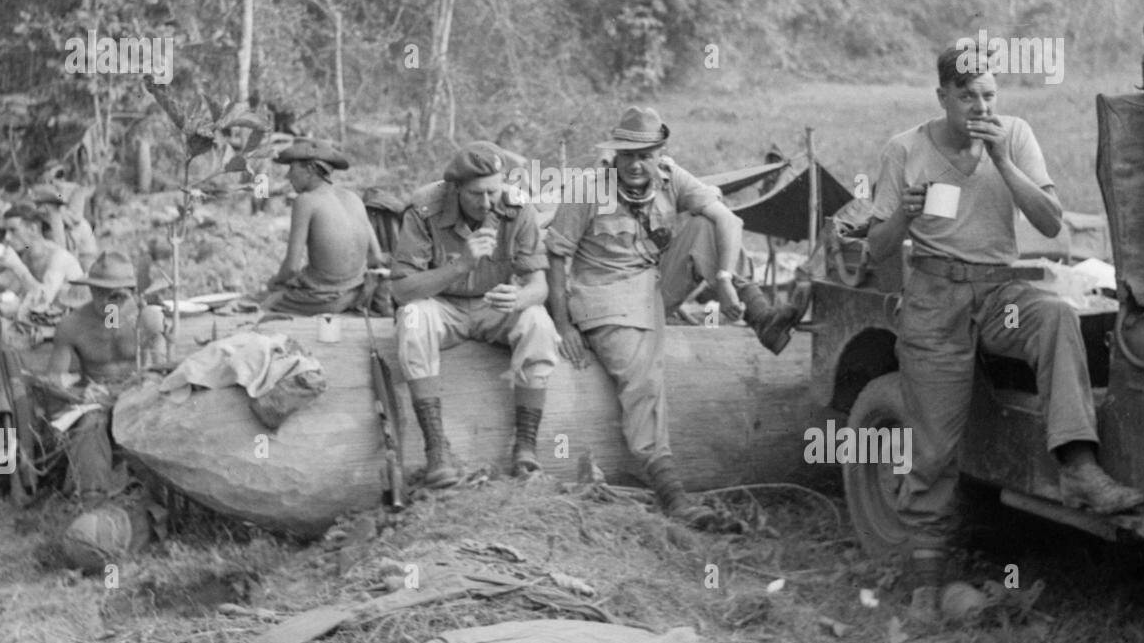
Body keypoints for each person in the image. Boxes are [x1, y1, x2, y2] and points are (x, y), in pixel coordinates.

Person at [865, 45, 1144, 625]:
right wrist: (904, 218)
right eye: (967, 96)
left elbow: (1048, 221)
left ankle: (1077, 467)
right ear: (942, 96)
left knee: (1055, 316)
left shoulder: (1013, 135)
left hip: (997, 293)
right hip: (935, 299)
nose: (980, 105)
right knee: (935, 446)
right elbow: (876, 247)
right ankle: (925, 585)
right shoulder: (905, 150)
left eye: (989, 94)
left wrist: (1003, 160)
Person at [544, 105, 799, 532]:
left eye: (646, 154)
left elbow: (728, 220)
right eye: (628, 155)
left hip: (654, 286)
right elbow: (556, 256)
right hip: (607, 298)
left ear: (660, 152)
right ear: (615, 155)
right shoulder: (587, 188)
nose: (637, 165)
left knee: (704, 226)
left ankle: (762, 316)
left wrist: (724, 280)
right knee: (644, 381)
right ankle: (672, 493)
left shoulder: (670, 176)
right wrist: (564, 324)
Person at [391, 142, 558, 487]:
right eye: (475, 194)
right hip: (442, 306)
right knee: (412, 317)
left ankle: (526, 446)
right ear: (455, 189)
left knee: (538, 321)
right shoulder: (425, 209)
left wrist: (519, 297)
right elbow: (401, 290)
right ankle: (437, 449)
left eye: (493, 192)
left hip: (492, 306)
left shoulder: (516, 207)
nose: (486, 203)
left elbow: (539, 286)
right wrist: (462, 265)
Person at [45, 250, 167, 503]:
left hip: (137, 392)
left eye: (115, 293)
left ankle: (158, 498)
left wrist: (143, 383)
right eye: (99, 291)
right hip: (96, 398)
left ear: (130, 291)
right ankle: (93, 501)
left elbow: (161, 372)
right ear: (90, 289)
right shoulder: (73, 325)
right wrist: (80, 393)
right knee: (91, 424)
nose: (106, 300)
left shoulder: (146, 318)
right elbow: (53, 380)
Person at [263, 138, 382, 314]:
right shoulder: (353, 197)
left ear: (310, 169)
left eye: (292, 168)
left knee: (260, 302)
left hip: (323, 300)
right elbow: (376, 257)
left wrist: (274, 281)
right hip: (358, 293)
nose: (287, 176)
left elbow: (291, 268)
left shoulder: (306, 201)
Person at [0, 203, 87, 313]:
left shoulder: (58, 257)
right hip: (47, 316)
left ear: (33, 229)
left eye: (13, 230)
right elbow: (15, 289)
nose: (7, 237)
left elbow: (44, 299)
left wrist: (17, 267)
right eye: (6, 231)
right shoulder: (27, 254)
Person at [30, 184, 98, 271]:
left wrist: (56, 222)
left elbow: (87, 258)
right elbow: (27, 246)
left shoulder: (78, 226)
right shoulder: (37, 224)